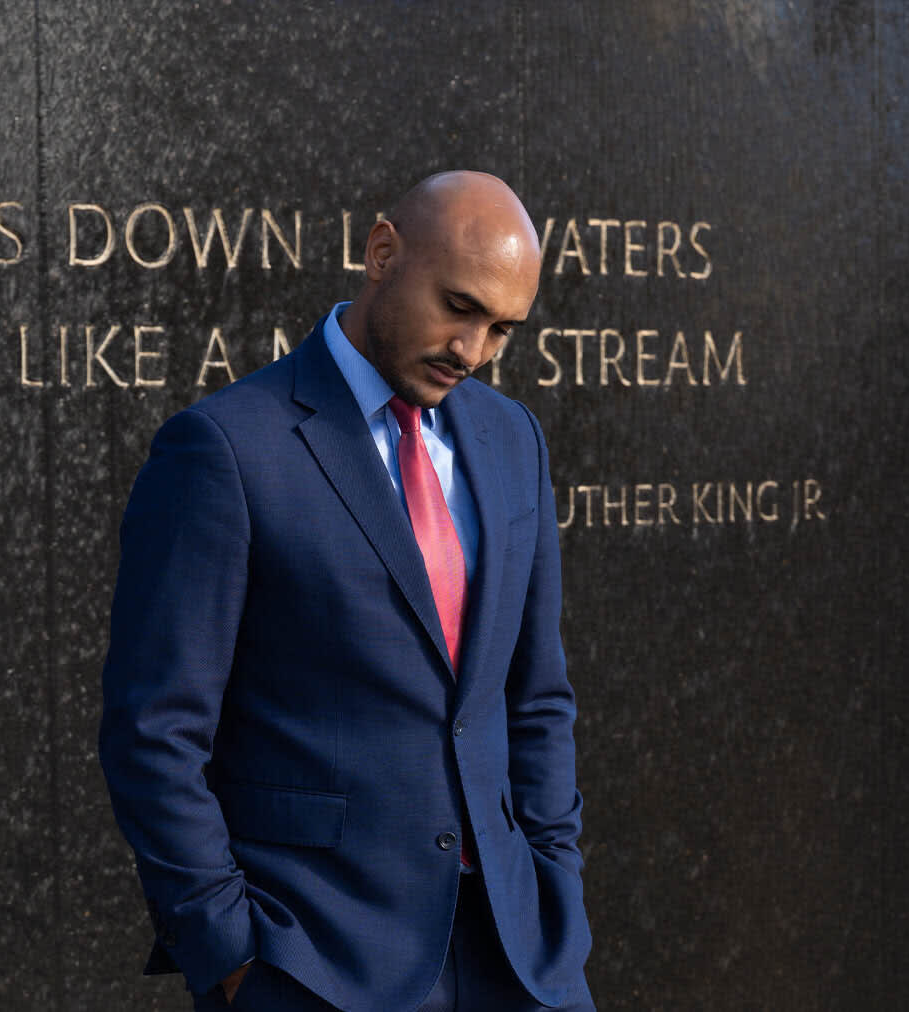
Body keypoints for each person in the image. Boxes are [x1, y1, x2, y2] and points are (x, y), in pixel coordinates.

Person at [98, 171, 592, 1011]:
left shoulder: (514, 441)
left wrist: (556, 892)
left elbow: (535, 697)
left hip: (521, 958)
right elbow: (154, 732)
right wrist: (229, 953)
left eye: (502, 329)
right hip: (317, 961)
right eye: (459, 306)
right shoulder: (224, 451)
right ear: (382, 252)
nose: (472, 350)